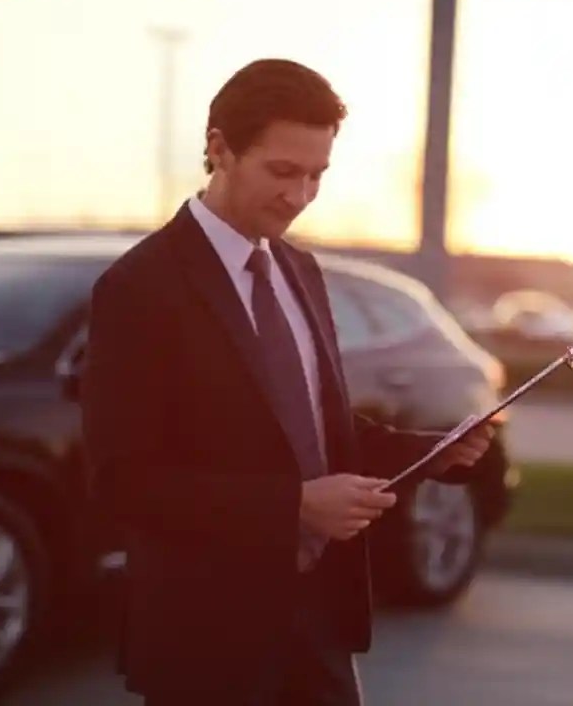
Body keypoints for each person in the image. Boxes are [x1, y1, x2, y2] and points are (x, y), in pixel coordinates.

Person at [81, 58, 494, 706]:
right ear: (219, 148)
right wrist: (293, 506)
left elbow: (320, 432)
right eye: (283, 171)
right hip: (206, 644)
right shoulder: (138, 288)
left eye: (317, 175)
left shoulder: (301, 272)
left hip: (319, 624)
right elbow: (124, 481)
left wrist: (432, 450)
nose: (300, 196)